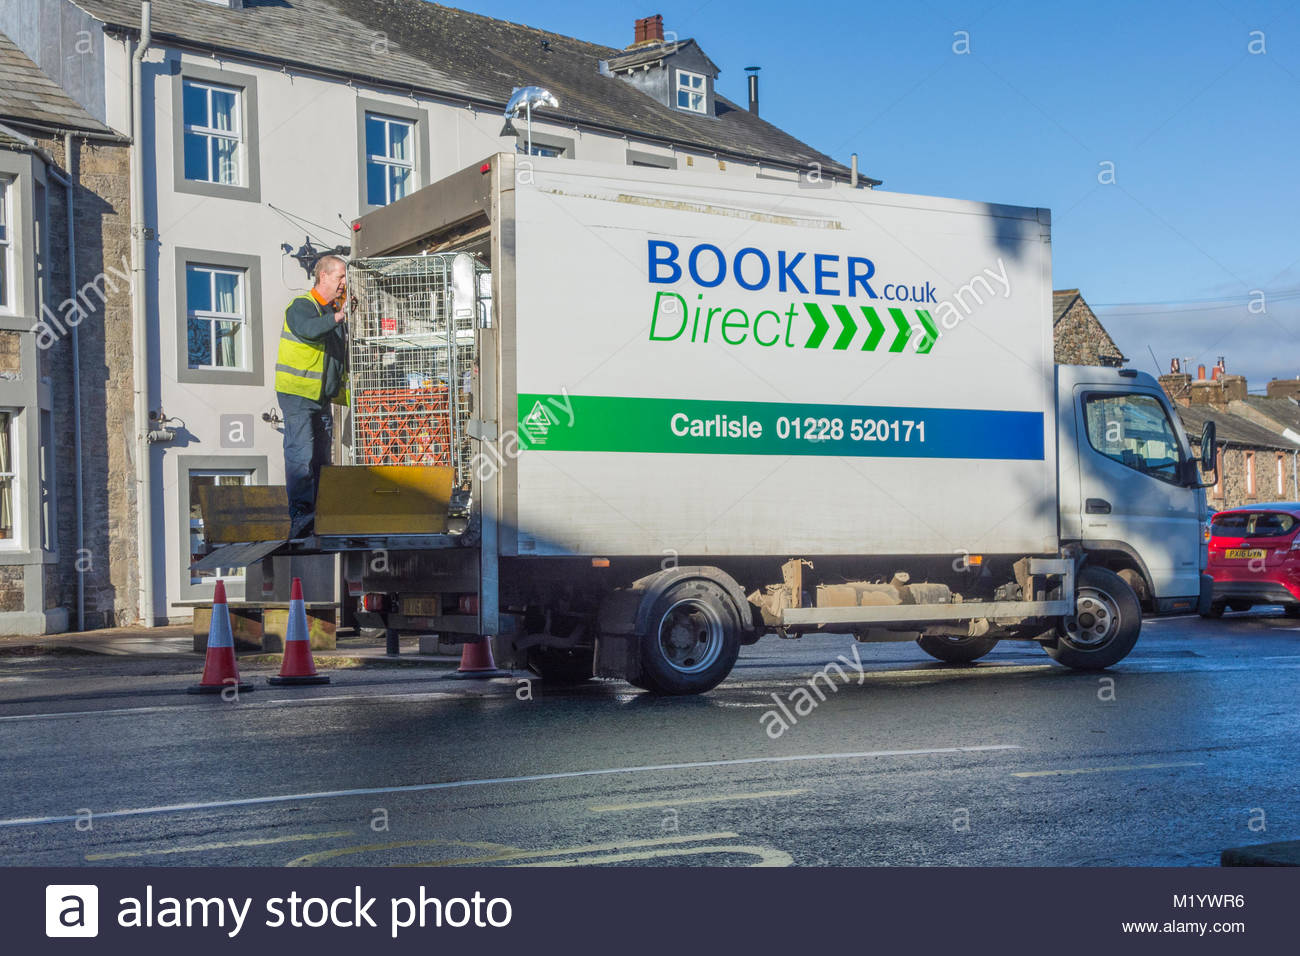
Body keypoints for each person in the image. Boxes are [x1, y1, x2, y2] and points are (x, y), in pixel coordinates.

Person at [276, 254, 349, 534]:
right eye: (340, 276)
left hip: (320, 396)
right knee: (300, 454)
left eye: (344, 277)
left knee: (321, 458)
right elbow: (309, 330)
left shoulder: (330, 311)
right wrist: (339, 316)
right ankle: (300, 515)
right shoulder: (302, 306)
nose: (344, 283)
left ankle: (319, 513)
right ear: (323, 277)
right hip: (297, 393)